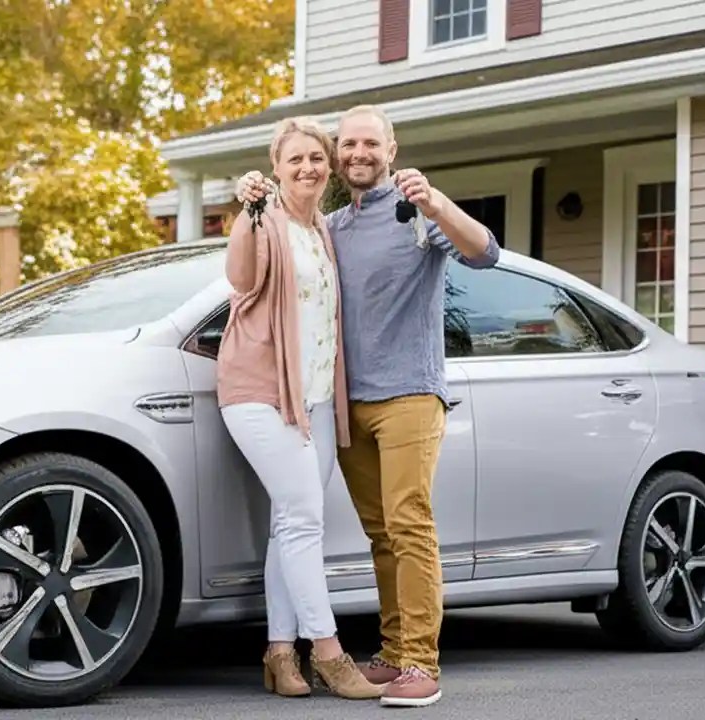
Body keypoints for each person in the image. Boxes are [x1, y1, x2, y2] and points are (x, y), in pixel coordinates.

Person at [235, 104, 499, 708]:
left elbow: (485, 253)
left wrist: (435, 203)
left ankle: (422, 664)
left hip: (408, 393)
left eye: (369, 144)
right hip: (346, 404)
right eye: (347, 145)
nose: (357, 154)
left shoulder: (417, 214)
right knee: (381, 533)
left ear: (391, 148)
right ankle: (393, 652)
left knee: (410, 525)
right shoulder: (333, 229)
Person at [216, 116, 384, 701]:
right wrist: (248, 210)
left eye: (318, 157)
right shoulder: (267, 221)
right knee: (304, 518)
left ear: (329, 165)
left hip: (313, 396)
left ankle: (280, 652)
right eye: (296, 160)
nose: (309, 167)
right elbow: (240, 277)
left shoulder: (323, 231)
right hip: (260, 393)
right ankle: (331, 654)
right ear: (276, 168)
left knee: (290, 525)